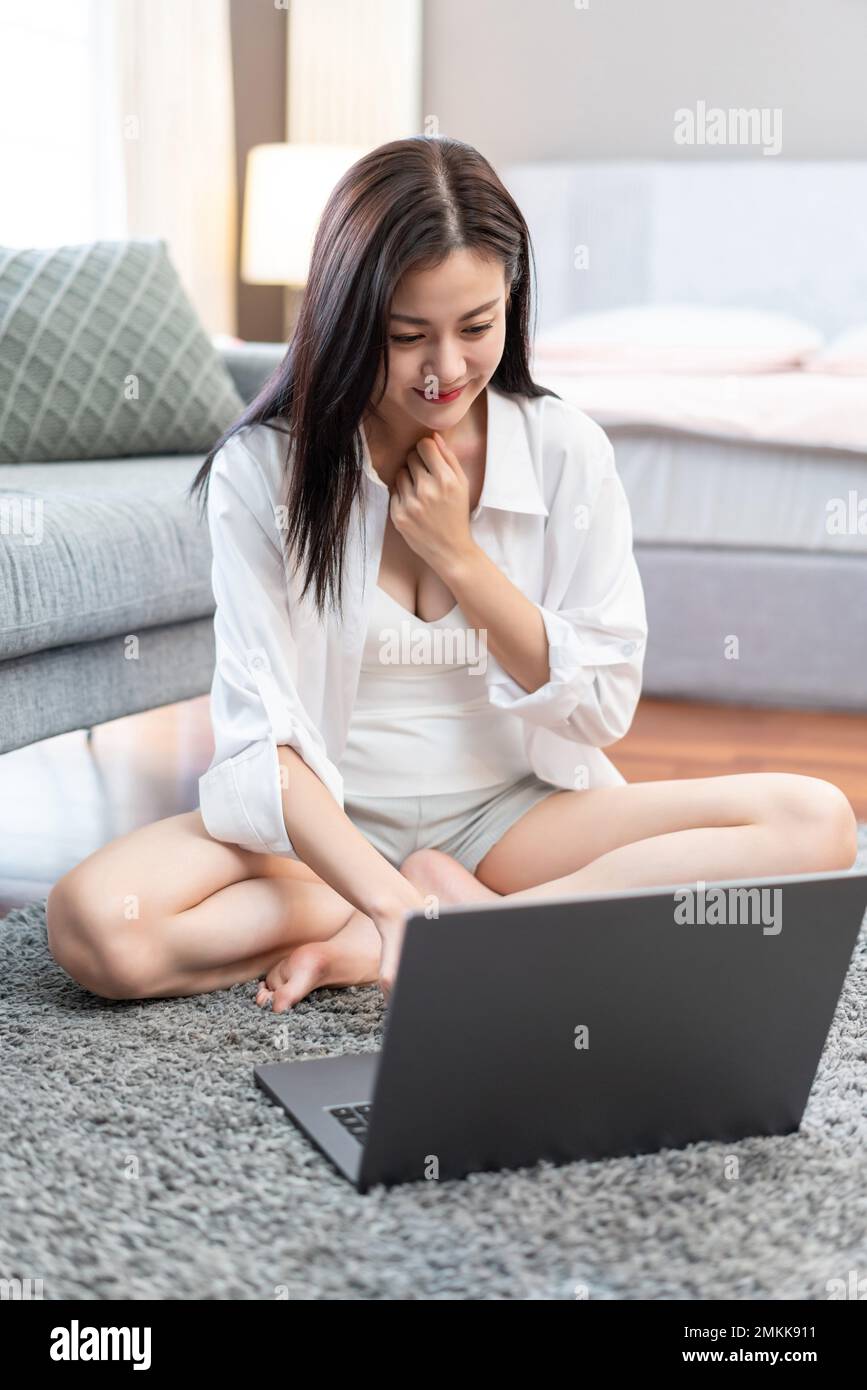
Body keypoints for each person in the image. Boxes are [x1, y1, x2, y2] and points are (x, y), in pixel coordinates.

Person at [46, 136, 858, 1013]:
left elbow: (602, 703)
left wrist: (459, 558)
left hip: (512, 820)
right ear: (351, 321)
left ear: (510, 300)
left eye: (476, 327)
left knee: (813, 820)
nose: (446, 370)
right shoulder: (263, 471)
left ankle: (467, 927)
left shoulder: (562, 450)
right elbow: (262, 738)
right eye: (407, 337)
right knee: (98, 925)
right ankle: (402, 924)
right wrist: (388, 898)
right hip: (324, 839)